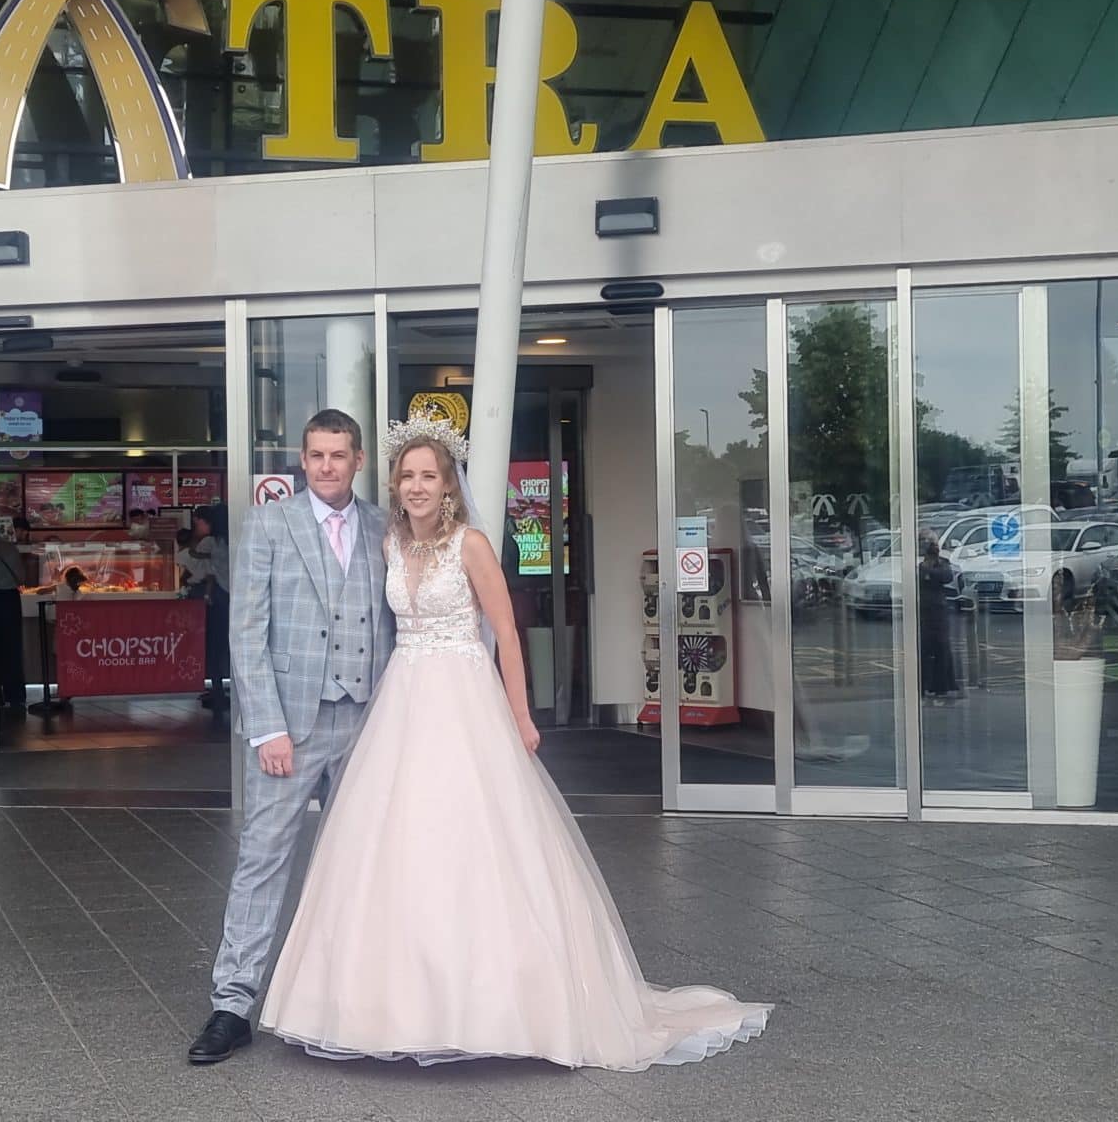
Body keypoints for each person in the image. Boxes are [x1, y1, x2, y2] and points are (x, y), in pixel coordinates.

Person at [257, 416, 770, 1071]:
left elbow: (505, 631)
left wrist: (520, 715)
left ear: (448, 486)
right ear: (394, 481)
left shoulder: (469, 544)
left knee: (480, 839)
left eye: (429, 476)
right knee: (397, 841)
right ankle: (391, 1006)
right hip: (403, 700)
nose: (416, 486)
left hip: (464, 698)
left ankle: (502, 1004)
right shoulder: (390, 545)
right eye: (407, 476)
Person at [188, 409, 393, 1065]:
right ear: (302, 461)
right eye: (316, 456)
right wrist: (266, 727)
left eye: (338, 455)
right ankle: (232, 1005)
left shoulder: (384, 529)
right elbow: (245, 633)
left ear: (358, 460)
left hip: (366, 722)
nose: (327, 466)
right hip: (291, 730)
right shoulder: (270, 524)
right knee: (262, 860)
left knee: (361, 865)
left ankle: (353, 999)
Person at [187, 504, 230, 713]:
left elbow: (192, 553)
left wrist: (195, 532)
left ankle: (218, 691)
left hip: (219, 597)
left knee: (215, 647)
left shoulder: (210, 542)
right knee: (231, 648)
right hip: (238, 598)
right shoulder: (236, 538)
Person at [918, 530, 958, 700]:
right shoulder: (919, 563)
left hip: (938, 609)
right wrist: (927, 574)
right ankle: (924, 684)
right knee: (924, 647)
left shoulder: (942, 562)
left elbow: (946, 576)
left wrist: (929, 574)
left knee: (941, 647)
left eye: (931, 542)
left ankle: (942, 685)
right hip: (923, 609)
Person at [0, 518, 27, 715]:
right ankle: (16, 696)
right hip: (10, 599)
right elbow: (21, 577)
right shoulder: (10, 549)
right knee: (13, 649)